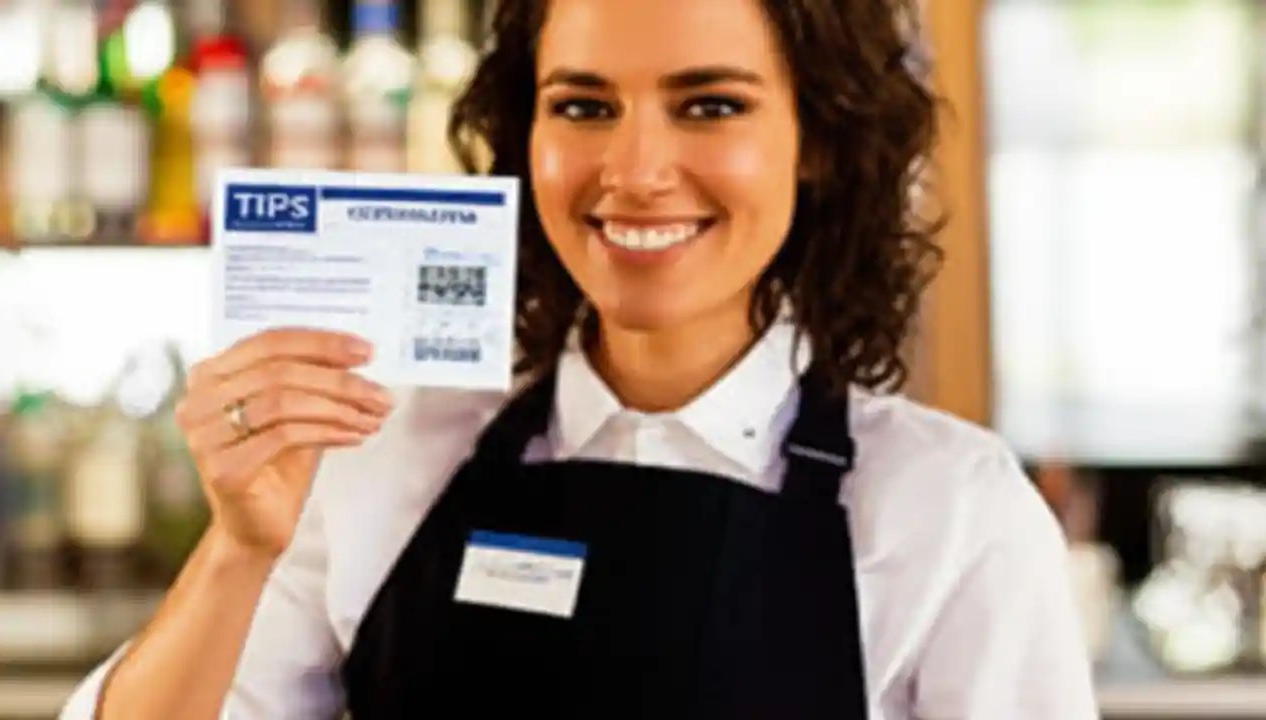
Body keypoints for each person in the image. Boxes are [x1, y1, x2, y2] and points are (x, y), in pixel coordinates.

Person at [63, 0, 1098, 717]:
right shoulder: (388, 447)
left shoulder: (949, 511)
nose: (635, 170)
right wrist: (239, 547)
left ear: (816, 138)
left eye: (709, 105)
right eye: (582, 106)